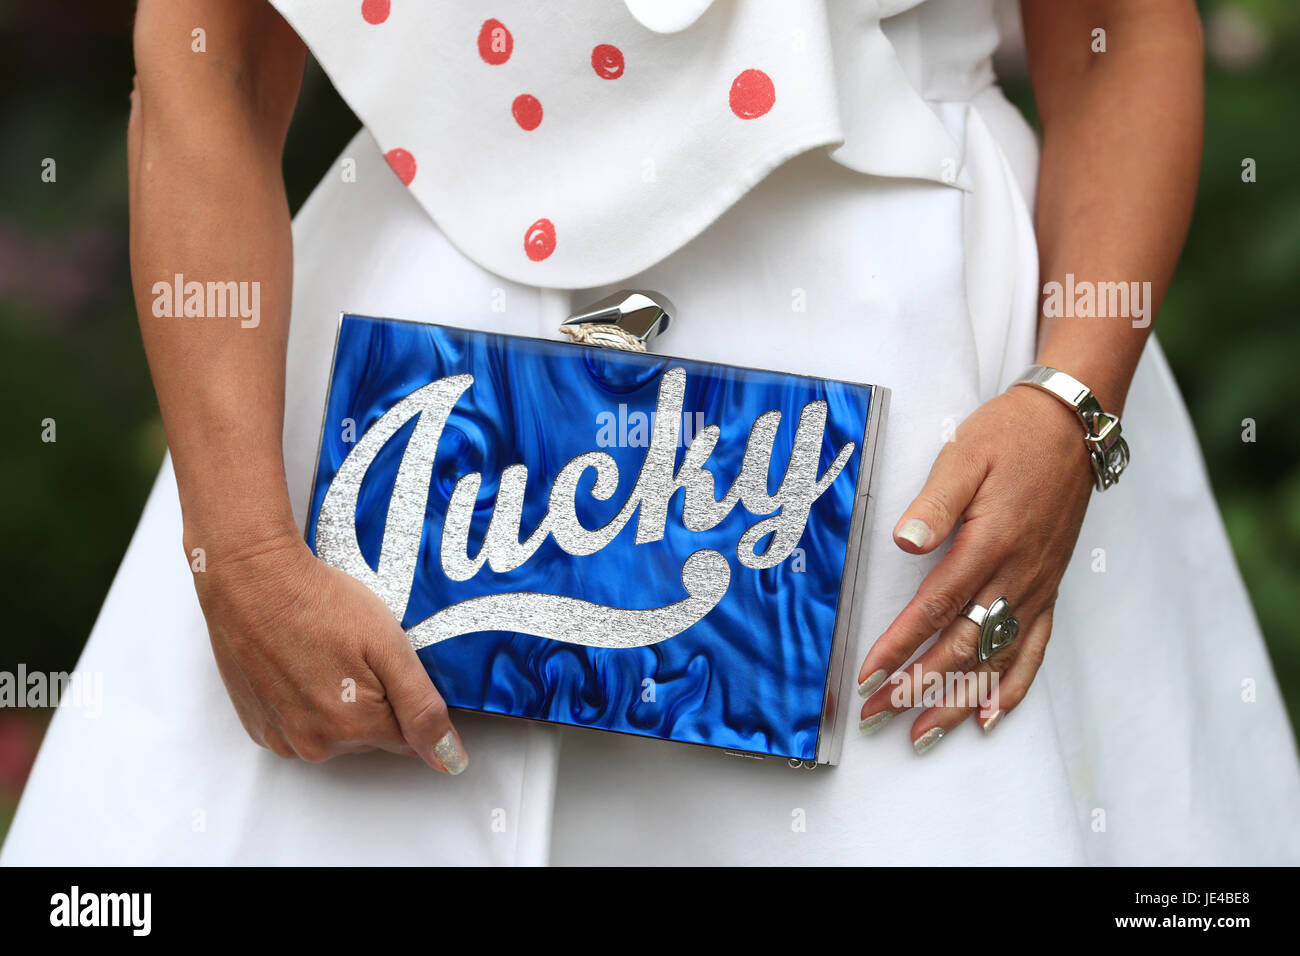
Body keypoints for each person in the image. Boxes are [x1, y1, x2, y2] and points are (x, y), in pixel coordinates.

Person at [4, 0, 1297, 865]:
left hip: (941, 407)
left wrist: (1073, 401)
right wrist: (239, 549)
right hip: (399, 440)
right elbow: (201, 67)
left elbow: (1123, 28)